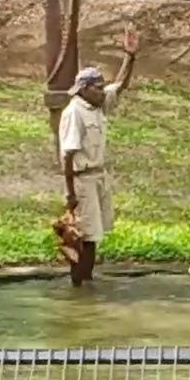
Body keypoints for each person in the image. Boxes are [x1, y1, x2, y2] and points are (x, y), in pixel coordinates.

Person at [58, 28, 139, 286]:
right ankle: (80, 284)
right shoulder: (75, 113)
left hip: (98, 176)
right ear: (83, 89)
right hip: (82, 179)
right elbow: (68, 155)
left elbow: (121, 85)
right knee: (84, 236)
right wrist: (70, 193)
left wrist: (130, 55)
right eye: (98, 87)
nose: (103, 90)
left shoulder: (97, 103)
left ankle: (85, 282)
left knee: (95, 234)